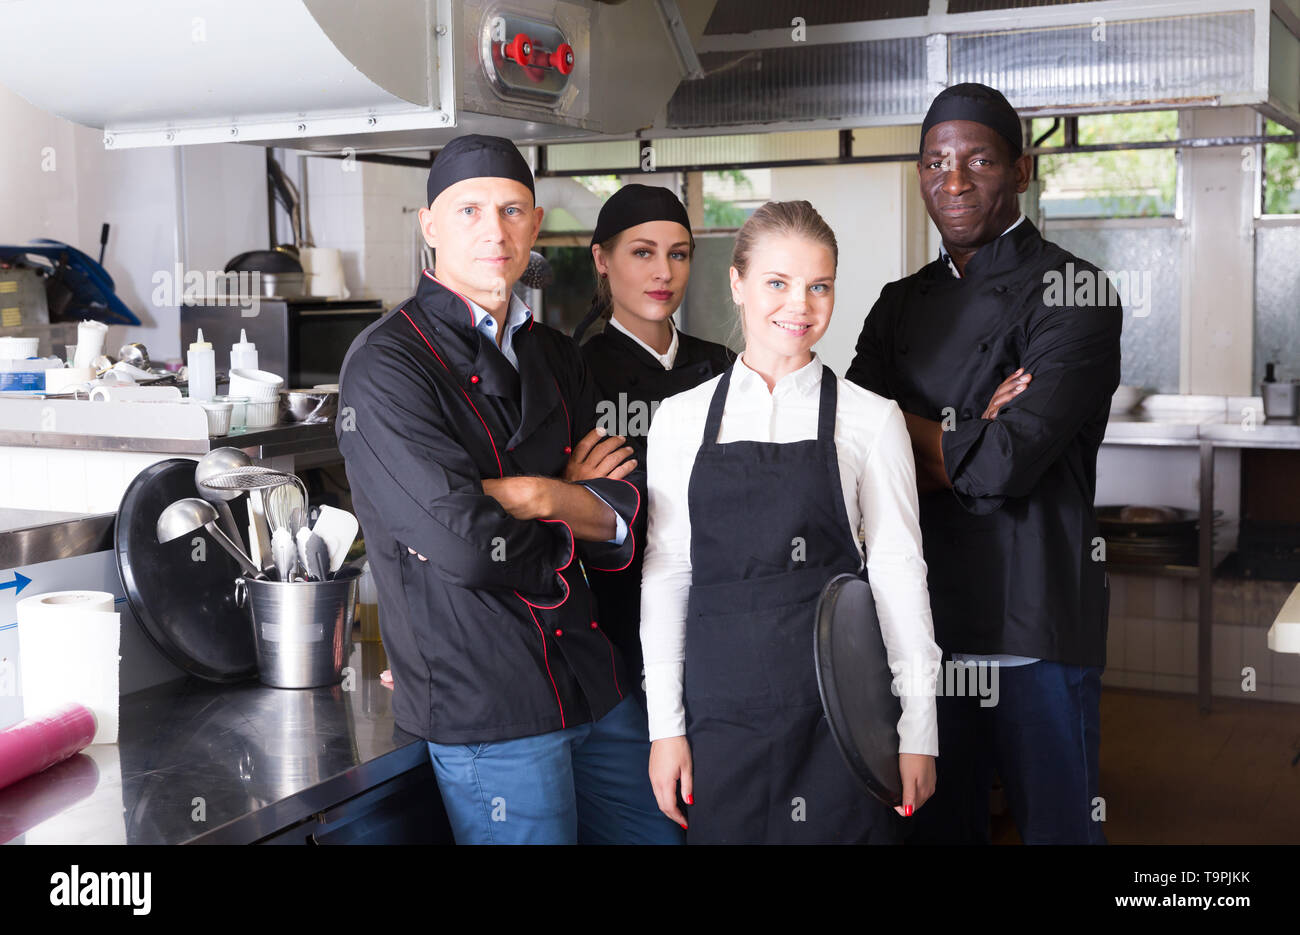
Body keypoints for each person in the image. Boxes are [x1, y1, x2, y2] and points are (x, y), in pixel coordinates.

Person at [336, 133, 680, 845]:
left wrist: (533, 495)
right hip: (487, 702)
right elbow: (462, 544)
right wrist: (573, 509)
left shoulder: (553, 351)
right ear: (429, 226)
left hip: (593, 679)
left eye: (512, 210)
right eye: (468, 211)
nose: (493, 230)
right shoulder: (385, 365)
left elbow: (627, 516)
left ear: (535, 227)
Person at [845, 83, 1121, 845]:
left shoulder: (1076, 293)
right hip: (921, 621)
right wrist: (974, 426)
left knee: (1057, 831)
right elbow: (854, 451)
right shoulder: (898, 304)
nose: (953, 180)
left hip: (1032, 615)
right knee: (936, 828)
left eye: (977, 160)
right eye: (935, 161)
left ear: (1021, 171)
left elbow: (1003, 468)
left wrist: (911, 433)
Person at [640, 200, 942, 844]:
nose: (799, 306)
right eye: (777, 283)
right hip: (720, 716)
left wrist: (919, 728)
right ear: (738, 283)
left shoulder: (871, 418)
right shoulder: (681, 418)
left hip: (841, 713)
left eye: (819, 286)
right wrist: (665, 728)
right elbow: (667, 574)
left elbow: (898, 576)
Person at [574, 183, 734, 705]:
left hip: (721, 609)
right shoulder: (576, 372)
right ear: (602, 259)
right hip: (616, 620)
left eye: (677, 254)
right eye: (642, 253)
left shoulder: (722, 367)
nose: (663, 272)